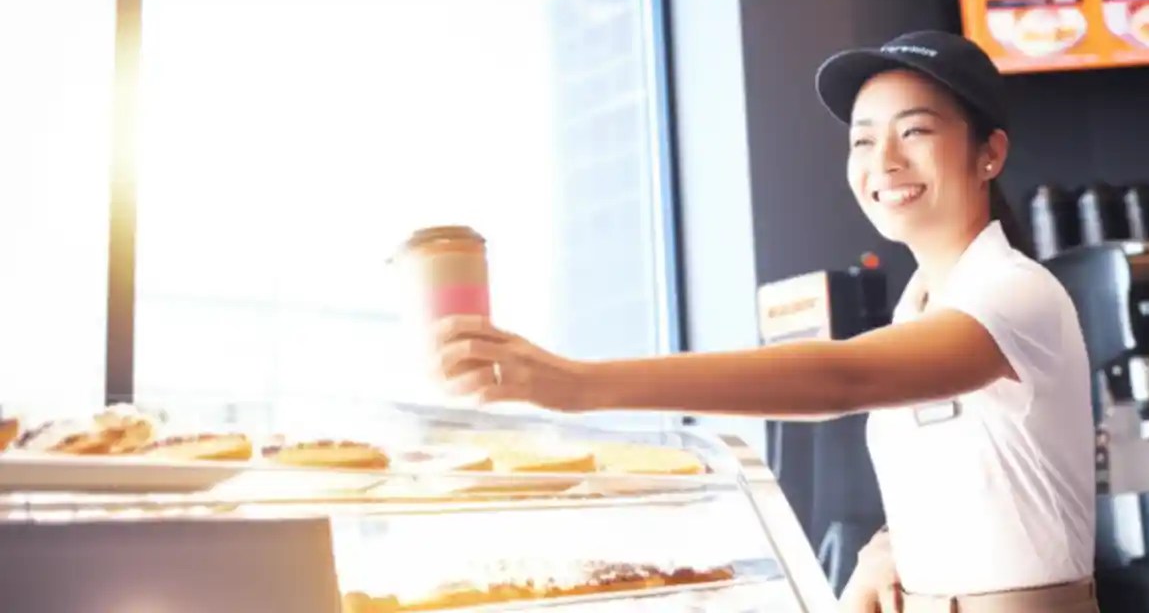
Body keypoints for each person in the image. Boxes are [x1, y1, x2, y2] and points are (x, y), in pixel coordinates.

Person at [426, 30, 1099, 613]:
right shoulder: (918, 306)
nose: (884, 161)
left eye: (914, 131)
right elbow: (981, 474)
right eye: (862, 141)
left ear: (990, 154)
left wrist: (577, 384)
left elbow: (842, 378)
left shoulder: (1018, 293)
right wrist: (888, 550)